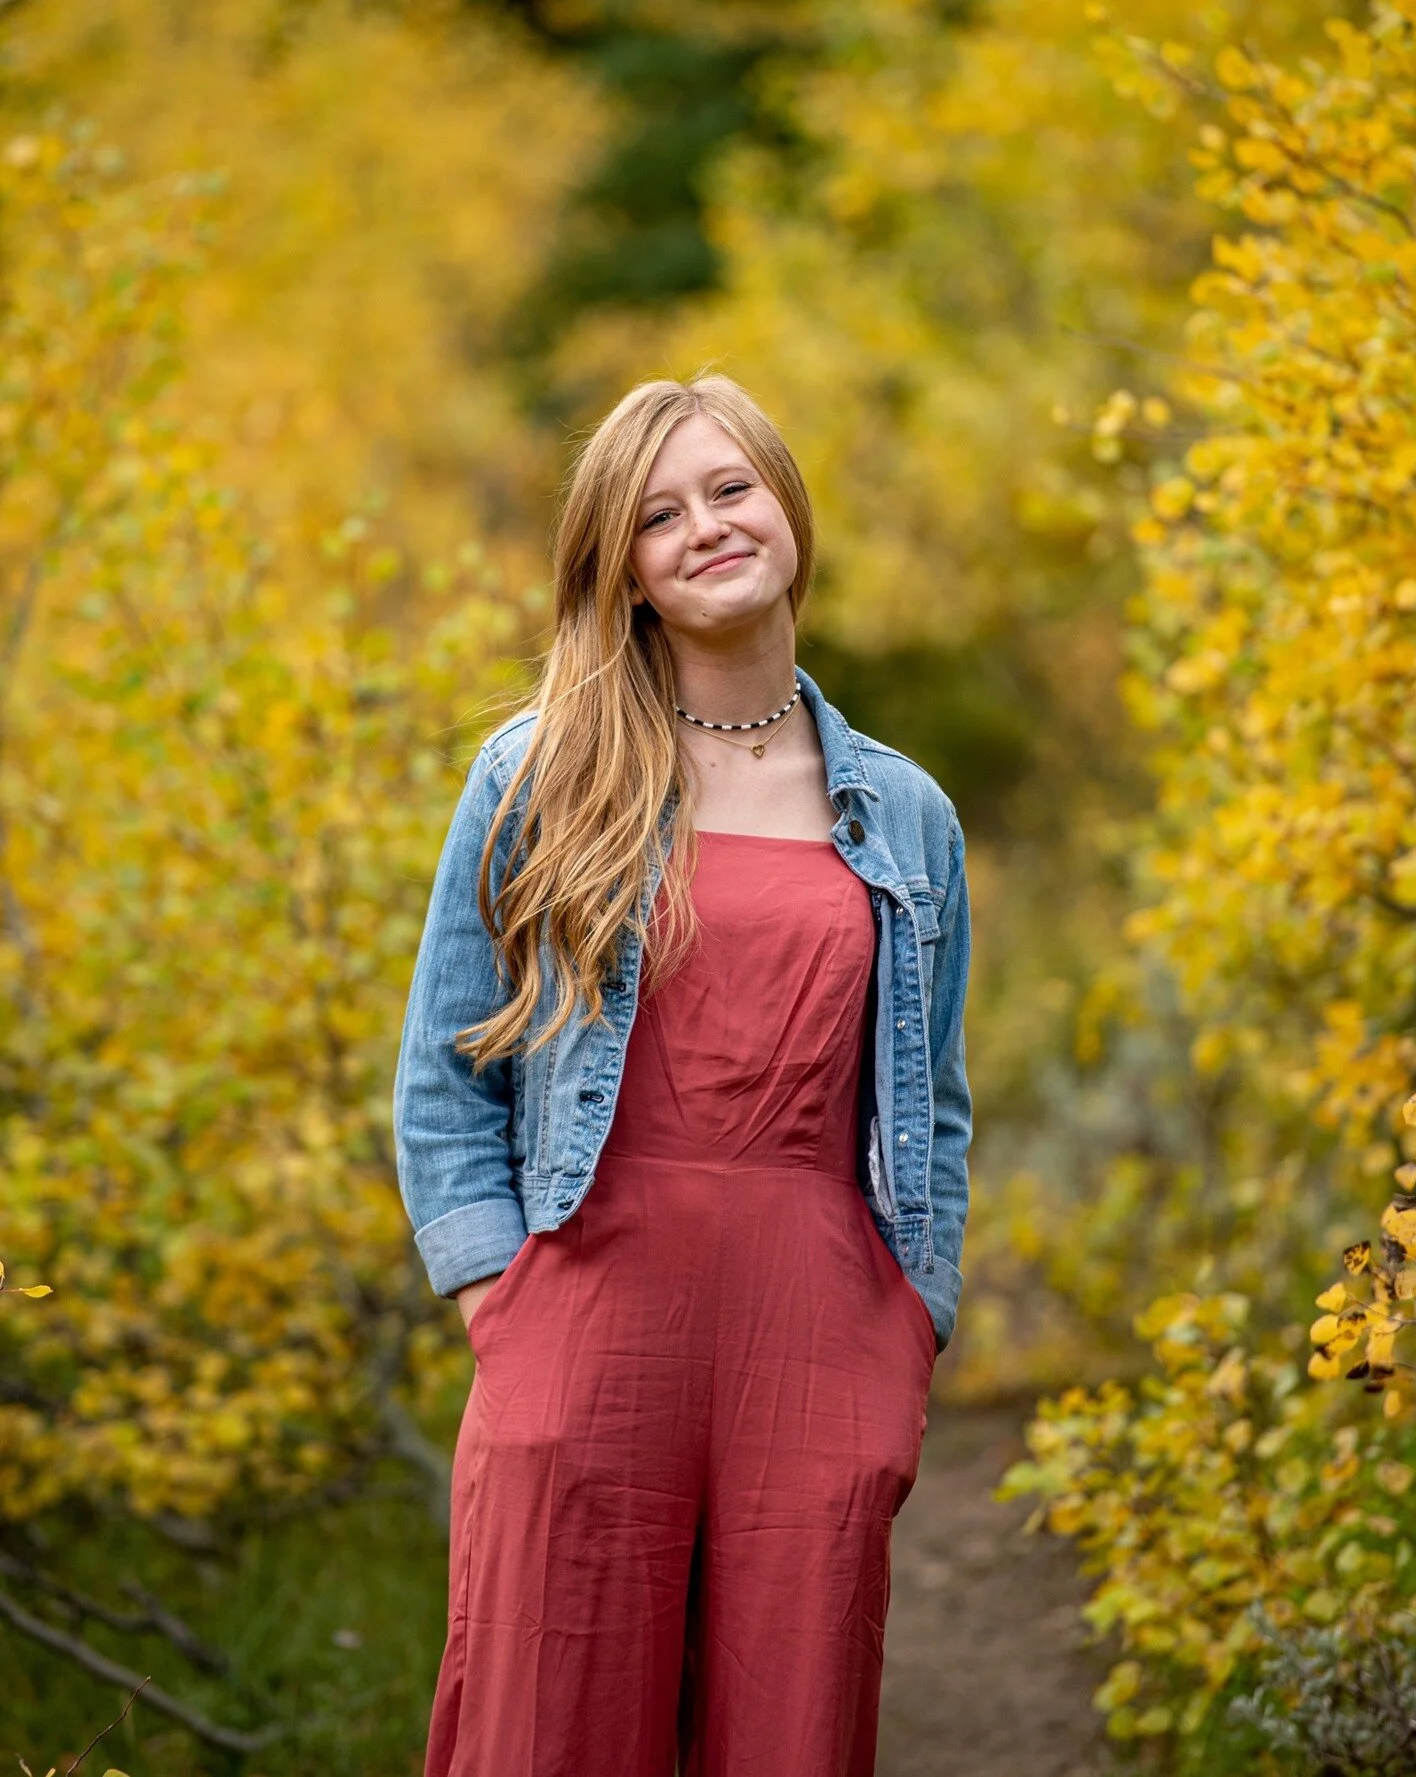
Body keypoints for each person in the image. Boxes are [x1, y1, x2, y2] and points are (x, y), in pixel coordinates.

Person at [393, 371, 974, 1777]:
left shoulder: (905, 812)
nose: (707, 528)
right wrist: (500, 1302)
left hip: (821, 1338)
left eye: (730, 488)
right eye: (660, 516)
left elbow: (934, 1106)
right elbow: (441, 1073)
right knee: (550, 1727)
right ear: (628, 572)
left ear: (786, 506)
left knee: (790, 1735)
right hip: (583, 1320)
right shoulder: (541, 775)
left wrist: (913, 1325)